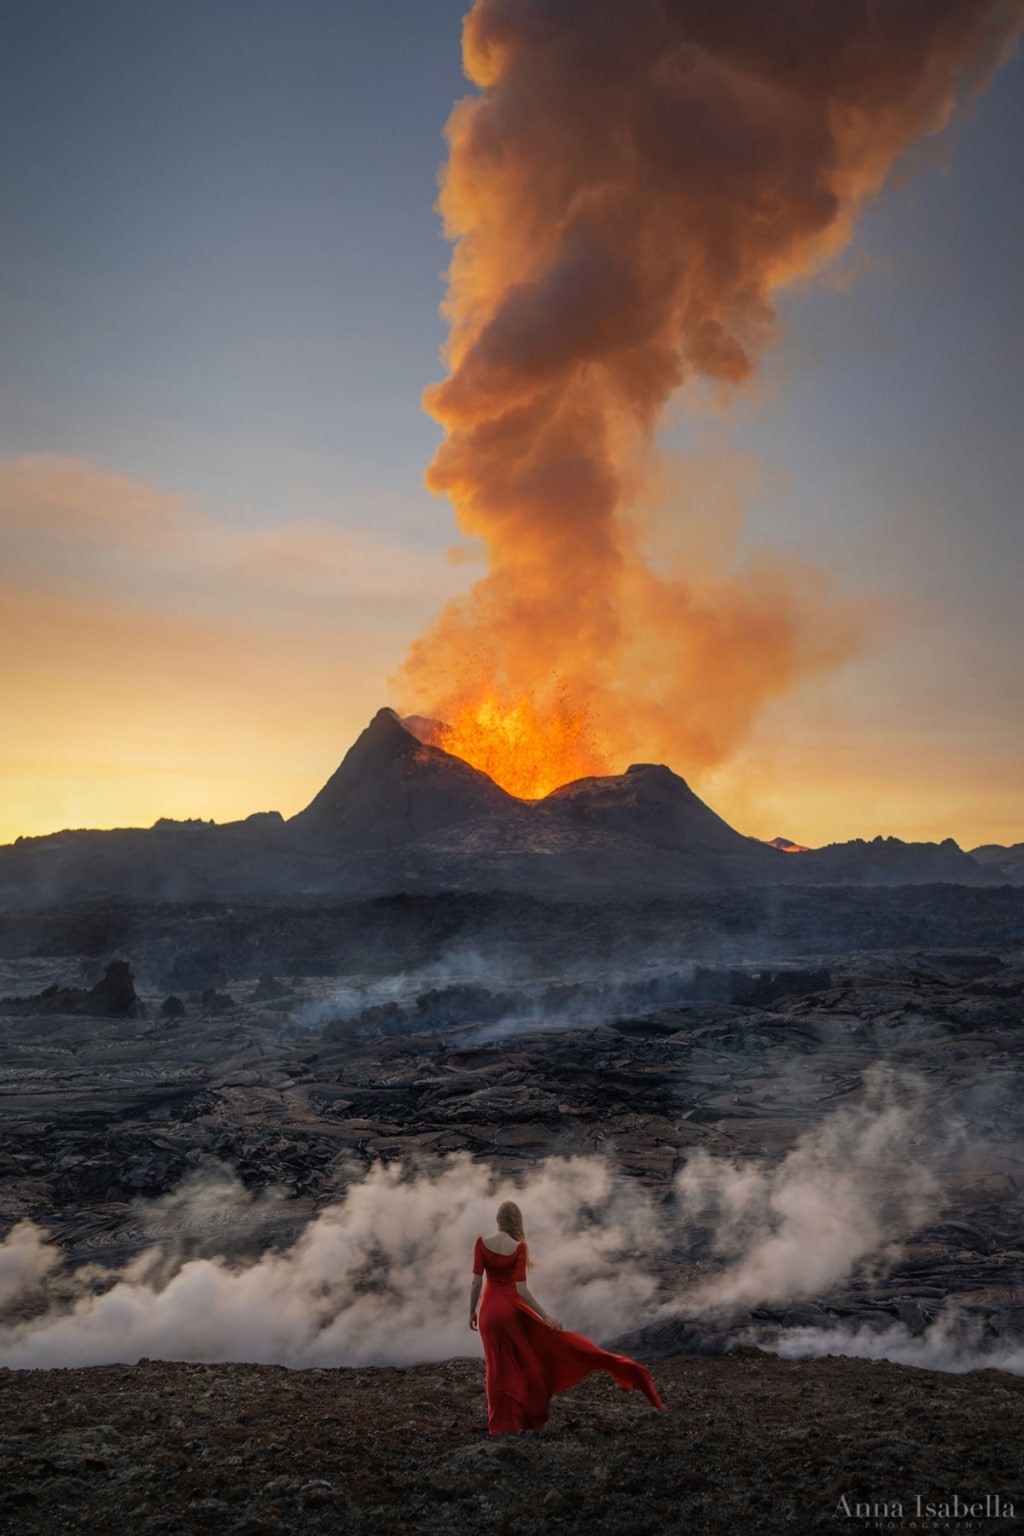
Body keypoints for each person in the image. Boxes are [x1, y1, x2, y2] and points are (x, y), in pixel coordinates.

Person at [469, 1199, 665, 1435]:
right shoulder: (519, 1248)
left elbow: (476, 1282)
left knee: (495, 1366)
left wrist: (472, 1311)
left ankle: (498, 1423)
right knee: (522, 1361)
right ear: (516, 1221)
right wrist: (545, 1317)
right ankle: (520, 1417)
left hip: (489, 1311)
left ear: (498, 1220)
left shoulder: (481, 1243)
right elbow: (521, 1290)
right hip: (511, 1312)